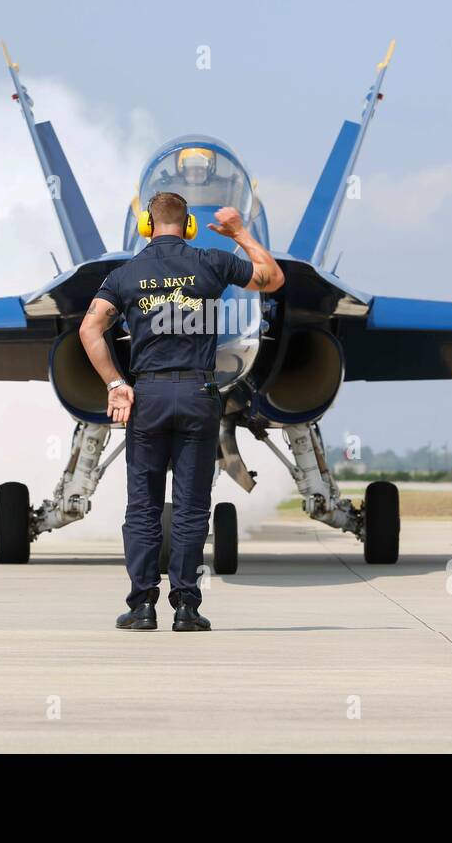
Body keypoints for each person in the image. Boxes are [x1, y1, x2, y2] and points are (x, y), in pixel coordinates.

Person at [79, 190, 284, 631]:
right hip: (199, 395)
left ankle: (141, 607)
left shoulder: (125, 274)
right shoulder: (212, 262)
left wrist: (116, 385)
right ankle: (187, 608)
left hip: (147, 397)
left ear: (147, 227)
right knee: (192, 507)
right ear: (189, 225)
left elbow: (89, 328)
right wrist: (240, 233)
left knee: (143, 507)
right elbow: (272, 279)